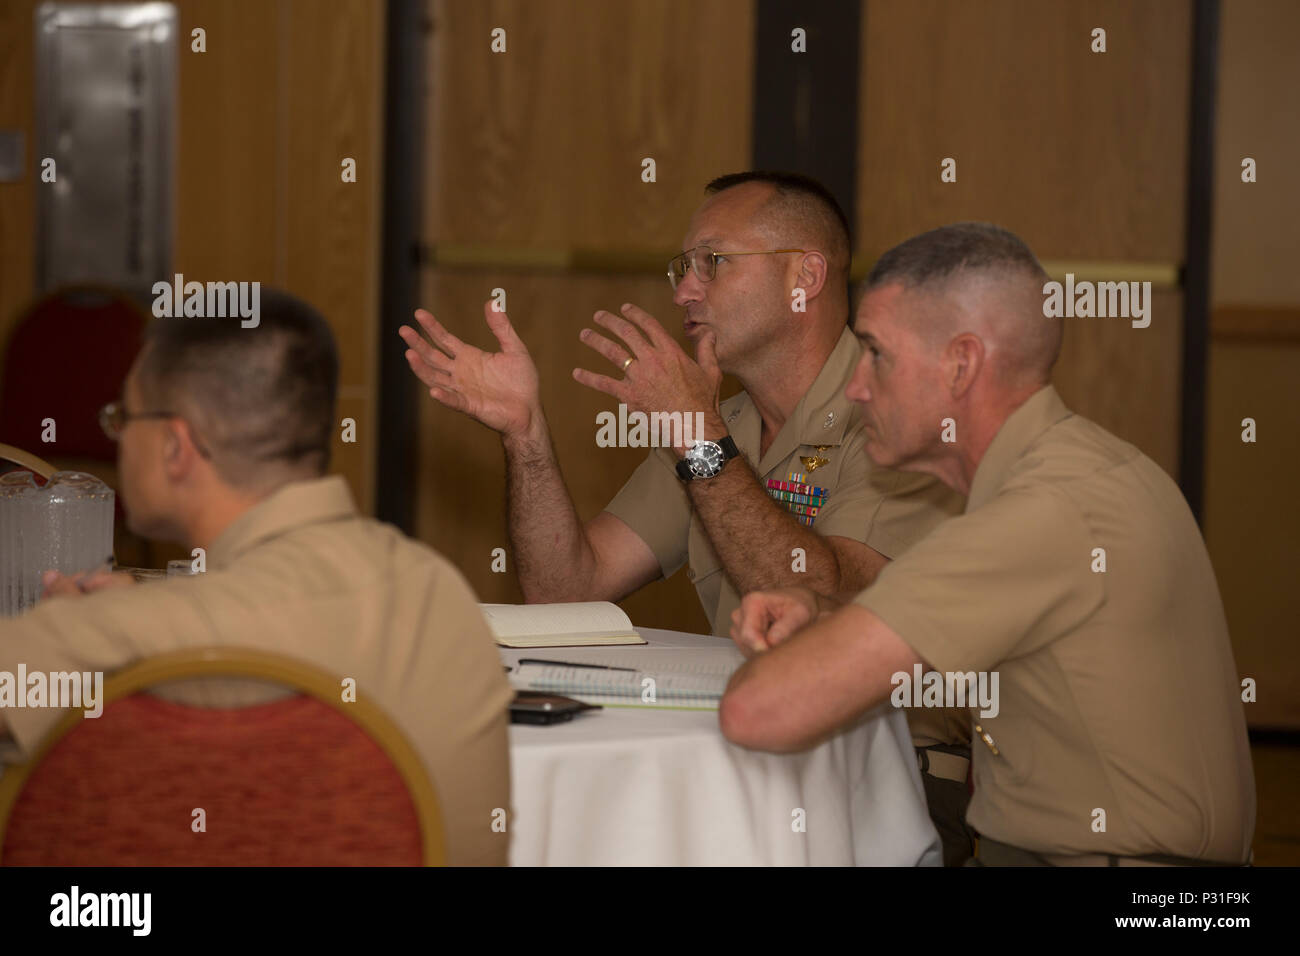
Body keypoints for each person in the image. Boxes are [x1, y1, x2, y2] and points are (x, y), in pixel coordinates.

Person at [722, 222, 1256, 866]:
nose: (857, 386)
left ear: (961, 364)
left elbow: (759, 712)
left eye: (877, 354)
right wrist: (828, 616)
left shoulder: (1040, 511)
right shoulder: (1081, 469)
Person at [0, 291, 511, 866]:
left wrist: (76, 622)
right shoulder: (440, 592)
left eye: (122, 417)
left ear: (176, 447)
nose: (116, 438)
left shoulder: (126, 633)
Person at [399, 170, 960, 636]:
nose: (683, 292)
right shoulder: (717, 424)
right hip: (752, 749)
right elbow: (564, 593)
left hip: (889, 763)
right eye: (682, 269)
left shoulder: (905, 418)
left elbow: (824, 610)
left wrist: (699, 439)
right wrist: (526, 437)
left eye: (713, 263)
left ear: (804, 276)